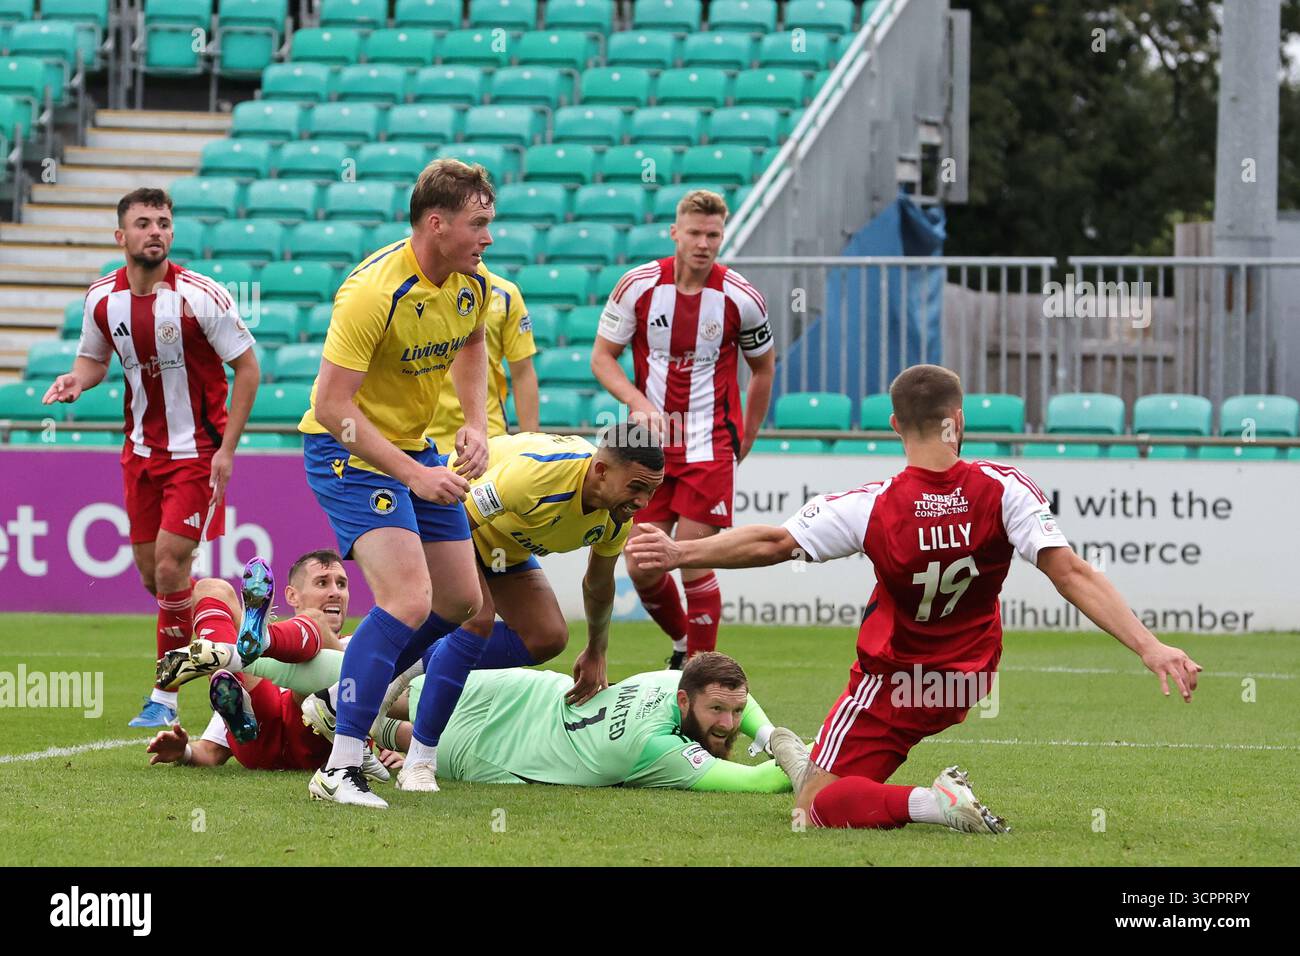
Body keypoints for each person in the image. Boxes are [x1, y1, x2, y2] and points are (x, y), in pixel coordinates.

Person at [625, 364, 1203, 833]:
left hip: (894, 681)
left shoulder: (872, 504)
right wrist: (1149, 645)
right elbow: (1071, 572)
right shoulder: (1004, 489)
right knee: (828, 784)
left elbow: (774, 542)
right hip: (968, 677)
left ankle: (934, 801)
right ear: (958, 421)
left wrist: (680, 554)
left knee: (814, 810)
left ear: (896, 425)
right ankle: (807, 757)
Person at [297, 158, 496, 808]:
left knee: (462, 601)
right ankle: (341, 766)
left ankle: (341, 691)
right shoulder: (372, 292)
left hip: (415, 450)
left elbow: (471, 346)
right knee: (410, 599)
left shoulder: (472, 284)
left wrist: (473, 424)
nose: (487, 238)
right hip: (346, 453)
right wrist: (414, 473)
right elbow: (331, 405)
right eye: (478, 224)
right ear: (436, 224)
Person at [42, 187, 259, 728]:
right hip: (139, 454)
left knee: (168, 566)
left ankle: (163, 696)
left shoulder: (199, 295)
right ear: (122, 237)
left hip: (196, 454)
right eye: (143, 223)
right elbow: (92, 360)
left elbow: (249, 370)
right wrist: (76, 381)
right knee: (155, 577)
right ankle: (228, 630)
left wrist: (227, 453)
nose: (155, 231)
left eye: (163, 222)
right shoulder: (101, 299)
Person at [591, 189, 776, 668]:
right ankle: (681, 646)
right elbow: (601, 358)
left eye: (712, 234)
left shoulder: (742, 298)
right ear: (675, 232)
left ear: (721, 236)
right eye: (694, 232)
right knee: (643, 564)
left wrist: (747, 436)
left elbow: (763, 369)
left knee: (692, 560)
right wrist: (634, 401)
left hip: (709, 445)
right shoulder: (638, 285)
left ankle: (698, 676)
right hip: (649, 449)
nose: (703, 243)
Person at [303, 652, 799, 793]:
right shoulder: (660, 751)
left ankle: (247, 656)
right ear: (685, 701)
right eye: (719, 712)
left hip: (530, 692)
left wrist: (770, 733)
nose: (730, 722)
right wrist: (811, 760)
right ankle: (343, 719)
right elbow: (757, 781)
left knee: (397, 682)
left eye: (736, 713)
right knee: (419, 731)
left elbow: (740, 699)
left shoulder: (668, 679)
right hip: (512, 750)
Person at [427, 266, 539, 451]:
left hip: (487, 436)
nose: (485, 240)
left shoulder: (505, 295)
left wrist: (533, 446)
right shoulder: (409, 292)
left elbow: (522, 373)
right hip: (422, 437)